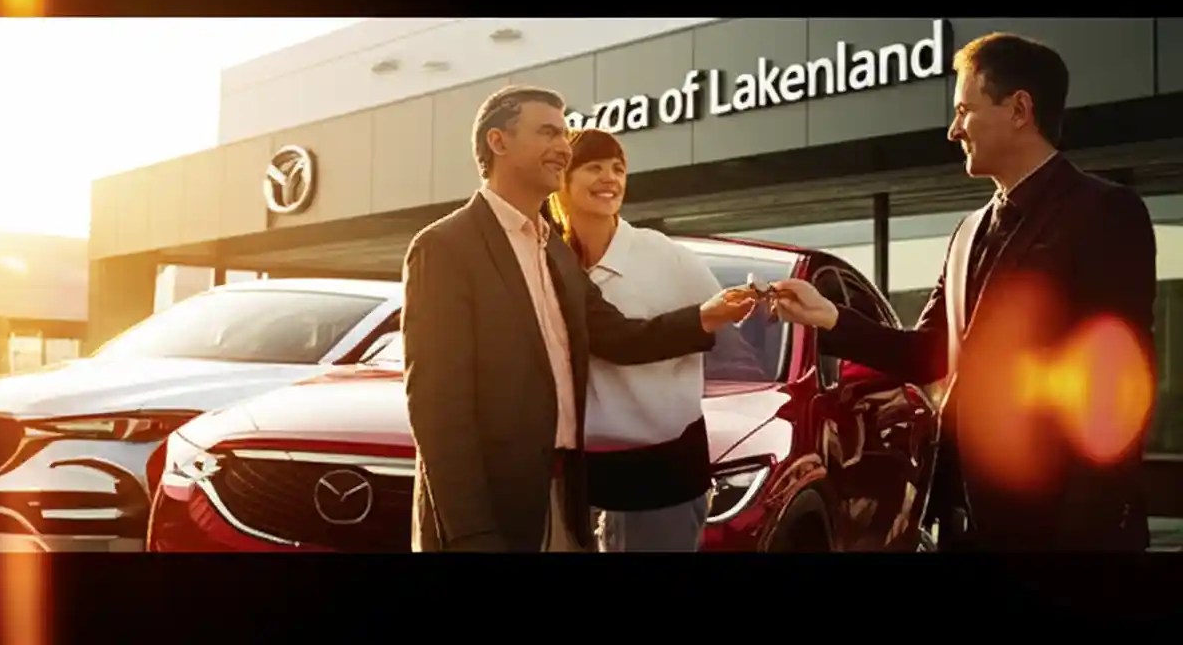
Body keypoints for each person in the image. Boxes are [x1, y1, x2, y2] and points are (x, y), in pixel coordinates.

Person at [768, 32, 1157, 552]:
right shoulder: (967, 231)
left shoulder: (1106, 212)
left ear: (1020, 109)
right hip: (965, 521)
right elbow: (928, 353)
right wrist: (830, 317)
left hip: (1062, 531)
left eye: (964, 111)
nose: (953, 131)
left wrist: (1082, 539)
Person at [402, 85, 758, 553]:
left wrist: (706, 317)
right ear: (498, 142)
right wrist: (470, 532)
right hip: (494, 511)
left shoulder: (553, 249)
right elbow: (437, 407)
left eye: (565, 134)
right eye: (548, 132)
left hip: (565, 495)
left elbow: (620, 337)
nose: (563, 147)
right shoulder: (445, 247)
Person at [546, 127, 738, 552]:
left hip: (659, 477)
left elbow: (726, 337)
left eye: (618, 168)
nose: (609, 178)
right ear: (563, 180)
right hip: (574, 480)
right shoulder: (549, 261)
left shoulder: (665, 255)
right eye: (593, 167)